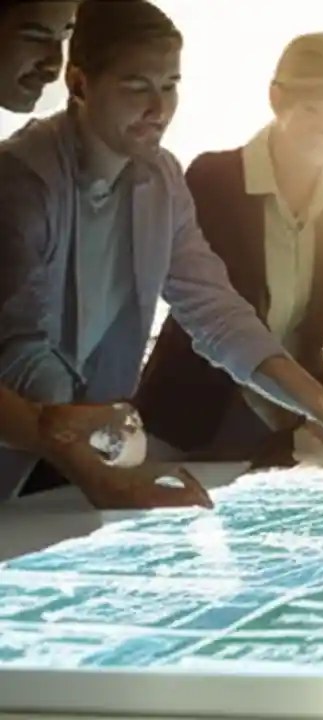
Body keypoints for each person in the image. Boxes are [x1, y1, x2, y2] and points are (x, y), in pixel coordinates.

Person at [0, 0, 323, 508]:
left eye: (170, 86)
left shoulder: (162, 178)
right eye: (137, 87)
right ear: (79, 84)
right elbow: (19, 350)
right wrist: (94, 459)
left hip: (84, 445)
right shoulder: (24, 179)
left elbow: (218, 312)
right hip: (37, 440)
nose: (158, 109)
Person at [135, 33, 323, 468]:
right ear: (277, 99)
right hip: (189, 410)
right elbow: (198, 302)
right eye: (314, 109)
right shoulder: (213, 178)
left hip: (288, 418)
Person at [0, 0, 167, 495]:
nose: (54, 62)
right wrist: (82, 450)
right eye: (35, 35)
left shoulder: (160, 177)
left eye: (63, 36)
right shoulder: (25, 173)